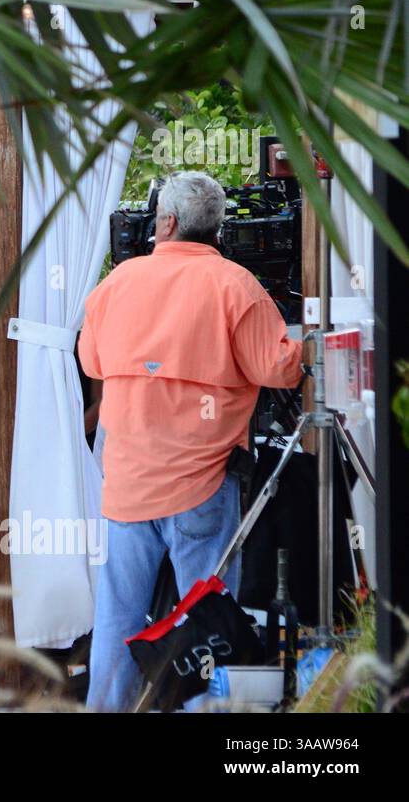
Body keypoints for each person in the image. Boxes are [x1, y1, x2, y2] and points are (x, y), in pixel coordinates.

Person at [79, 170, 302, 711]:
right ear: (216, 228)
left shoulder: (116, 285)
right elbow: (281, 370)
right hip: (201, 486)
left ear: (168, 222)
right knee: (209, 621)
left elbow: (91, 361)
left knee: (116, 620)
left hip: (127, 486)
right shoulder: (235, 286)